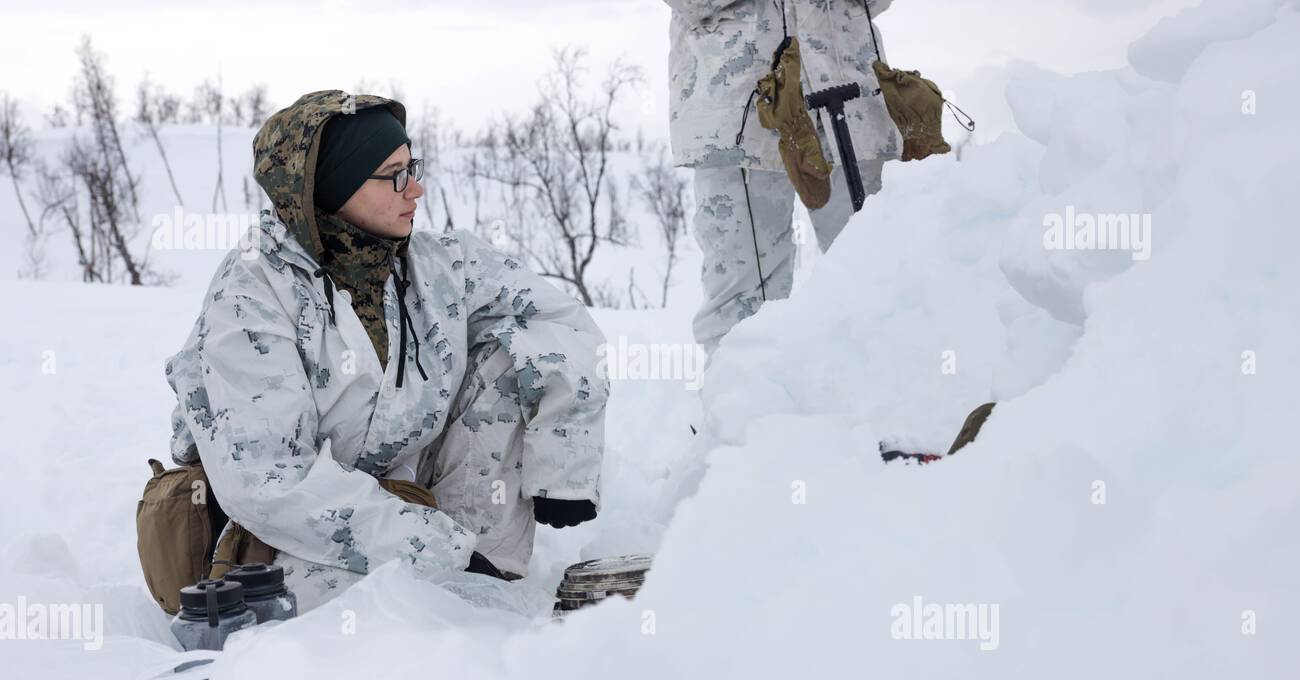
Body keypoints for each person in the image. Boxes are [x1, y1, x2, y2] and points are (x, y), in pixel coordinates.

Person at [164, 90, 609, 612]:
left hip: (405, 502)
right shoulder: (252, 296)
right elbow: (270, 482)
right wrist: (441, 553)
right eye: (394, 175)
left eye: (412, 166)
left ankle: (494, 599)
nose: (415, 189)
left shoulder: (435, 264)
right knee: (375, 620)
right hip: (284, 535)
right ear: (330, 187)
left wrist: (565, 457)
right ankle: (457, 606)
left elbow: (555, 318)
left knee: (507, 354)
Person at [665, 0, 902, 354]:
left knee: (881, 281)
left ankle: (890, 395)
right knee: (745, 306)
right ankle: (749, 404)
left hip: (851, 104)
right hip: (742, 114)